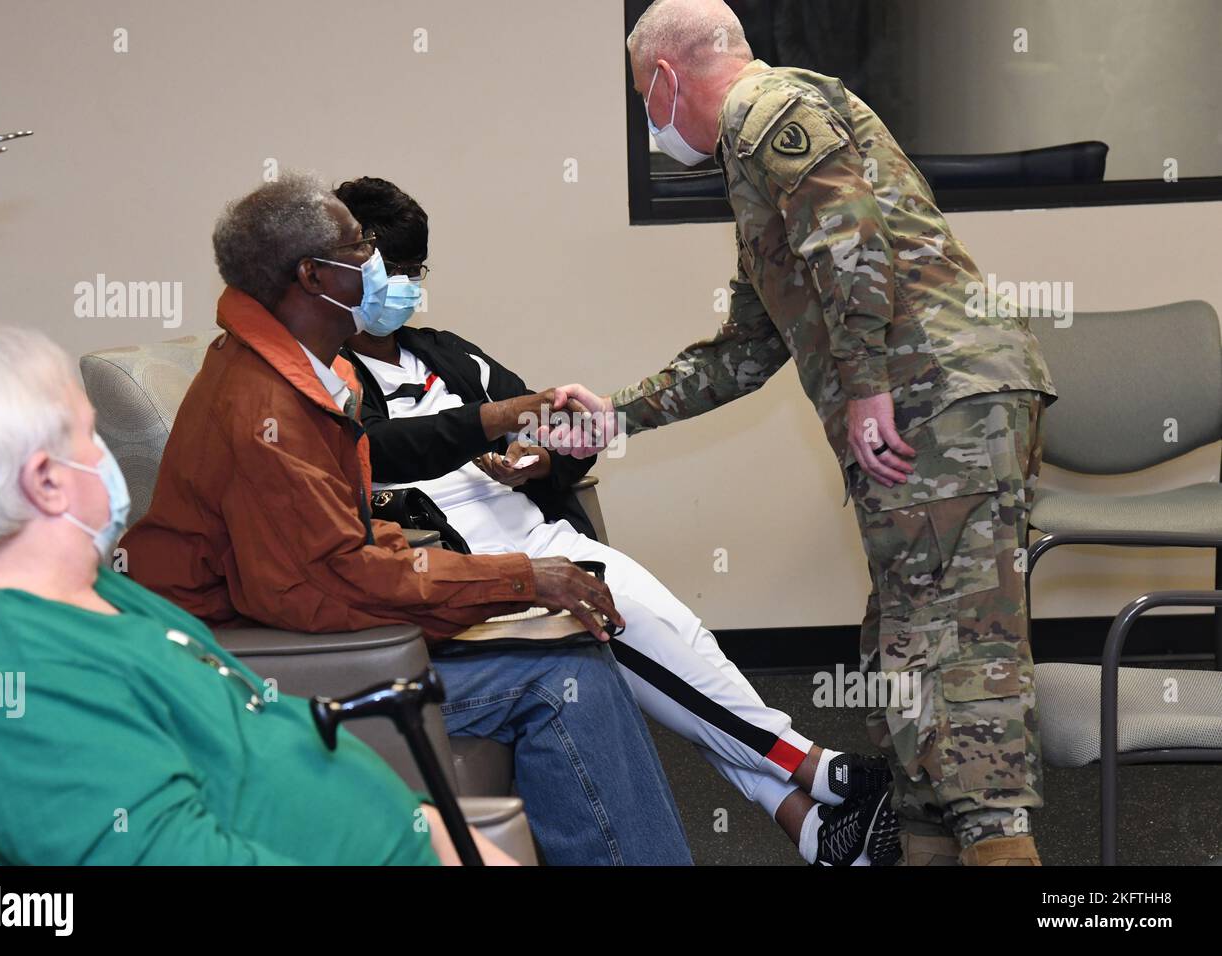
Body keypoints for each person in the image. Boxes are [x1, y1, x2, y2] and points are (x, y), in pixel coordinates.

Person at [550, 0, 1057, 866]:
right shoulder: (753, 167)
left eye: (645, 97)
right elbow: (746, 350)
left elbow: (851, 238)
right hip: (929, 402)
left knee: (956, 650)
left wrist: (864, 386)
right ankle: (934, 841)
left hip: (937, 398)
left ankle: (1002, 847)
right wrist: (616, 414)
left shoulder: (769, 109)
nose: (652, 122)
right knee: (906, 641)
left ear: (666, 77)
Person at [119, 171, 693, 865]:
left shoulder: (307, 374)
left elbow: (349, 535)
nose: (378, 264)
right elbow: (327, 586)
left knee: (566, 650)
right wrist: (516, 581)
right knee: (568, 681)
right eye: (359, 246)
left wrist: (500, 581)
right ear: (313, 275)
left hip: (297, 624)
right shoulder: (264, 411)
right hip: (250, 664)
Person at [333, 175, 900, 866]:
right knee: (634, 633)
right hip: (475, 566)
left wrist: (540, 460)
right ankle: (819, 769)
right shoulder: (327, 377)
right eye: (383, 269)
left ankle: (810, 823)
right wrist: (486, 423)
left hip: (543, 532)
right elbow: (379, 449)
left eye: (411, 270)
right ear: (343, 271)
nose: (400, 284)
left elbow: (551, 427)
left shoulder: (447, 352)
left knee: (678, 639)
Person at [0, 327, 514, 865]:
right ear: (46, 483)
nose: (106, 456)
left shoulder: (94, 590)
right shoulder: (16, 678)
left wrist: (427, 826)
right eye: (89, 435)